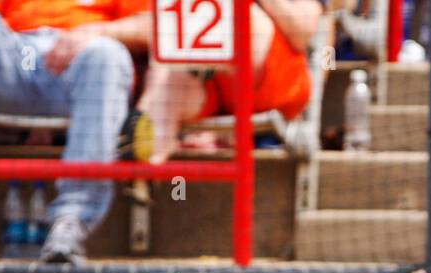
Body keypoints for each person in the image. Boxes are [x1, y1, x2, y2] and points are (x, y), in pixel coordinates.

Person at [0, 0, 145, 264]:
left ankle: (71, 223)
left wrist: (100, 32)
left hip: (84, 61)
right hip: (14, 59)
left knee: (108, 56)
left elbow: (153, 27)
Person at [93, 0, 327, 164]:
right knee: (166, 80)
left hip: (269, 77)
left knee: (238, 12)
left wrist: (101, 31)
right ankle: (145, 163)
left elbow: (304, 30)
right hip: (199, 81)